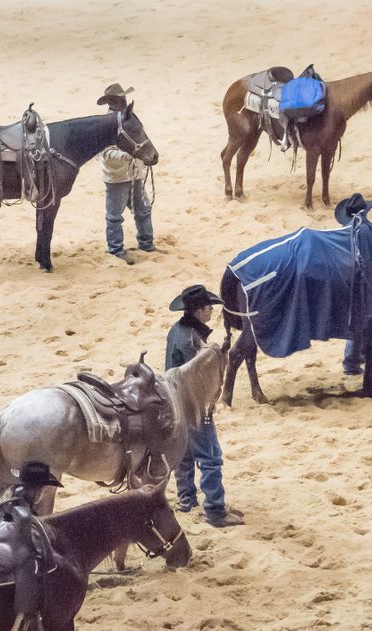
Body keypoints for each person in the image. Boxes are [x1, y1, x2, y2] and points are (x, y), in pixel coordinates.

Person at [167, 284, 243, 527]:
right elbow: (197, 378)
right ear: (199, 311)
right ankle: (215, 510)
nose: (212, 310)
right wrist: (218, 355)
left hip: (175, 403)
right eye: (209, 307)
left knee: (184, 455)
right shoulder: (192, 341)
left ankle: (187, 499)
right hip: (194, 407)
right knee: (210, 457)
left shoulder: (177, 331)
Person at [98, 83, 157, 265]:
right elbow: (106, 153)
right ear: (112, 101)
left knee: (143, 209)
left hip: (134, 174)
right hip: (117, 178)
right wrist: (128, 155)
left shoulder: (129, 118)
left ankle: (146, 244)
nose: (124, 100)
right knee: (115, 216)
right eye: (120, 98)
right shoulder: (106, 124)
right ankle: (115, 249)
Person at [334, 194, 372, 376]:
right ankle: (351, 362)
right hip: (359, 281)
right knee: (361, 320)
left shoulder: (344, 232)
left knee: (356, 320)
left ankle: (354, 359)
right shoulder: (365, 230)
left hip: (344, 279)